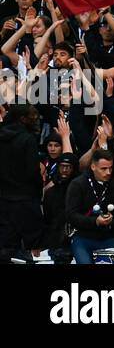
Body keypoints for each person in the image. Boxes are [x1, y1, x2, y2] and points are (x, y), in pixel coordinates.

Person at [65, 149, 114, 264]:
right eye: (103, 169)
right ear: (93, 167)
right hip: (82, 238)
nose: (108, 172)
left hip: (106, 238)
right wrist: (95, 221)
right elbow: (71, 216)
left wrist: (111, 221)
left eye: (110, 168)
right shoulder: (78, 184)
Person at [0, 103, 42, 257]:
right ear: (23, 119)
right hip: (26, 201)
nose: (35, 121)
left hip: (3, 200)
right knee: (33, 249)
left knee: (6, 248)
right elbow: (33, 172)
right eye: (33, 118)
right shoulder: (27, 139)